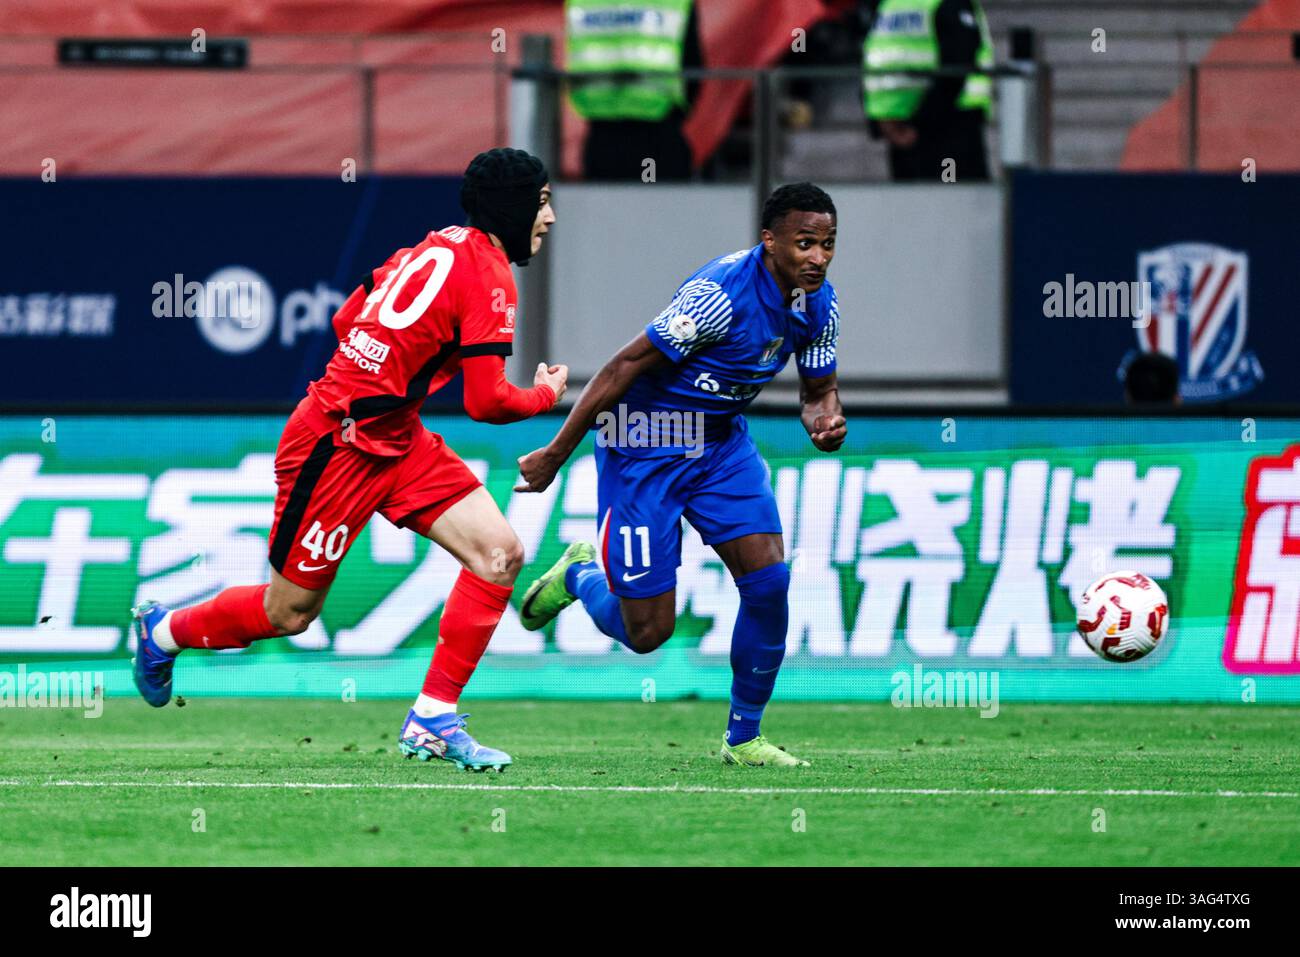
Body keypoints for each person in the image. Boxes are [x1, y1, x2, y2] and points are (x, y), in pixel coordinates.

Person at [129, 148, 568, 772]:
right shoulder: (490, 276)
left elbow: (344, 319)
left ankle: (433, 719)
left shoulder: (428, 247)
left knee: (499, 553)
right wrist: (546, 393)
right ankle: (163, 631)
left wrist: (396, 370)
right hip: (335, 446)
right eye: (544, 202)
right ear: (515, 205)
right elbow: (489, 403)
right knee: (290, 614)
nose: (550, 218)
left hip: (394, 436)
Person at [514, 183, 846, 767]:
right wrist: (555, 453)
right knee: (647, 635)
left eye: (827, 244)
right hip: (645, 447)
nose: (817, 257)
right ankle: (581, 577)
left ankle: (744, 738)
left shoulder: (819, 304)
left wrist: (824, 422)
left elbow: (819, 392)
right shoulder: (717, 297)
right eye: (804, 243)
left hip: (720, 447)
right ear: (769, 241)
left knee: (769, 583)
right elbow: (624, 366)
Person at [566, 0, 702, 181]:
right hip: (655, 136)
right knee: (652, 202)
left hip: (601, 138)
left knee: (605, 206)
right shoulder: (674, 3)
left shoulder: (584, 3)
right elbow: (692, 68)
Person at [863, 0, 993, 181]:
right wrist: (884, 123)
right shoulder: (889, 4)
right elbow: (876, 59)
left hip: (950, 126)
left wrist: (915, 124)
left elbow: (958, 65)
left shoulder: (894, 5)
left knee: (955, 198)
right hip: (903, 130)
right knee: (916, 204)